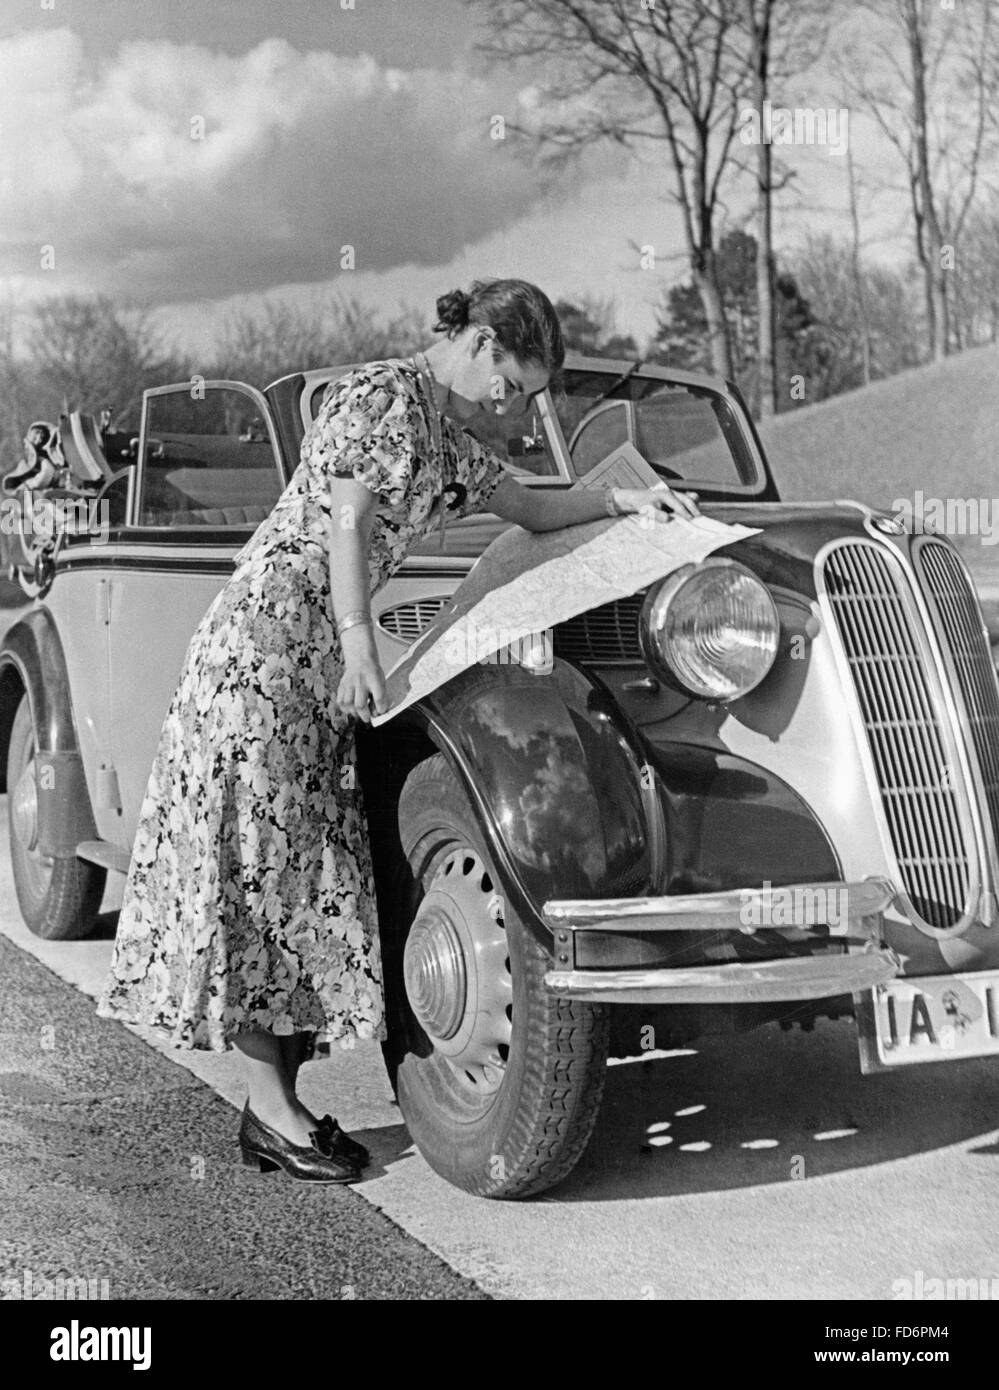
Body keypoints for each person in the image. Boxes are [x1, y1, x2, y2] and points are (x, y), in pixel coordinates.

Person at [97, 278, 699, 1184]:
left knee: (303, 871)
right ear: (485, 343)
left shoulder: (450, 436)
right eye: (517, 382)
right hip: (264, 650)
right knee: (266, 868)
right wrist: (357, 643)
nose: (520, 404)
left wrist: (626, 504)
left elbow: (536, 508)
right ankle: (271, 1110)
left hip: (311, 660)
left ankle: (278, 1107)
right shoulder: (383, 395)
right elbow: (347, 520)